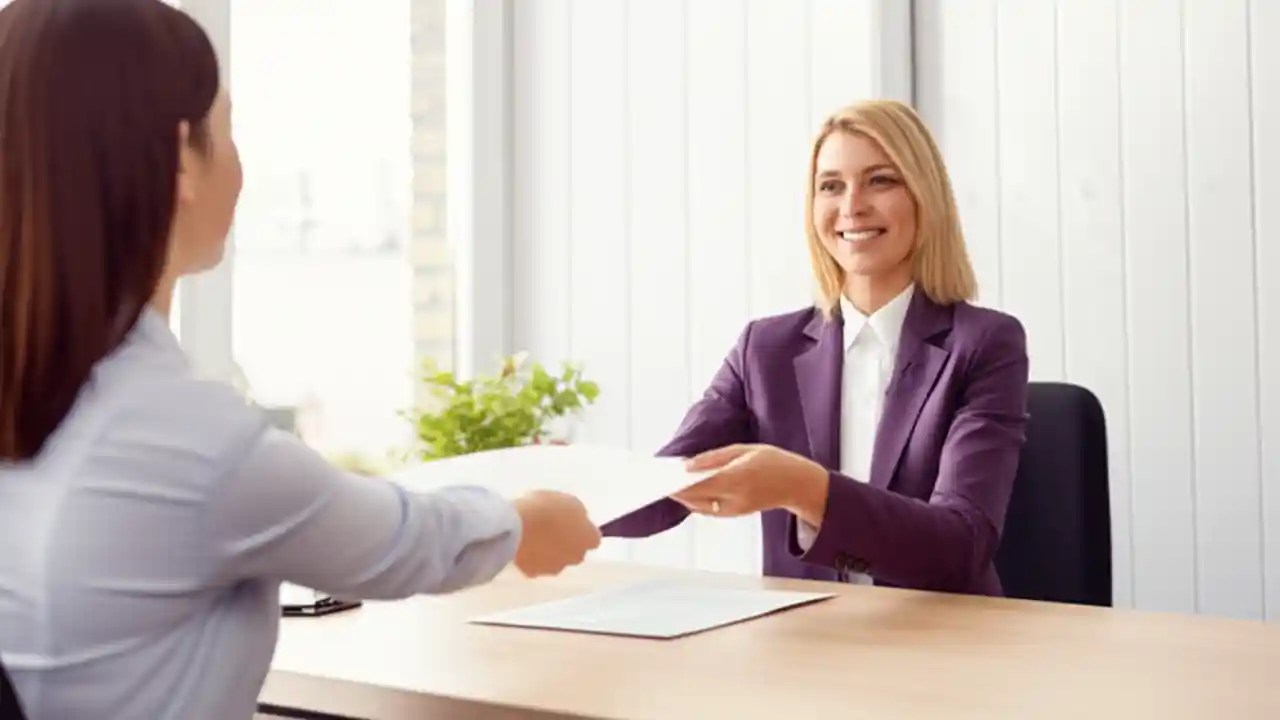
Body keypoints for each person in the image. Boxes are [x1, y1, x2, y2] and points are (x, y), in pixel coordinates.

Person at [0, 1, 600, 718]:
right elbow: (406, 542)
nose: (240, 168)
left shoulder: (53, 399)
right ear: (180, 159)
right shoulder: (179, 436)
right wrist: (526, 520)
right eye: (227, 130)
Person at [603, 99, 1030, 597]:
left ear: (924, 195)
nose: (852, 206)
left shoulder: (984, 344)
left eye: (880, 180)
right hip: (808, 631)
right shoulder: (765, 349)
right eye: (831, 186)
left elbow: (959, 547)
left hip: (940, 633)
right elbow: (666, 488)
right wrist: (555, 487)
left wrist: (802, 487)